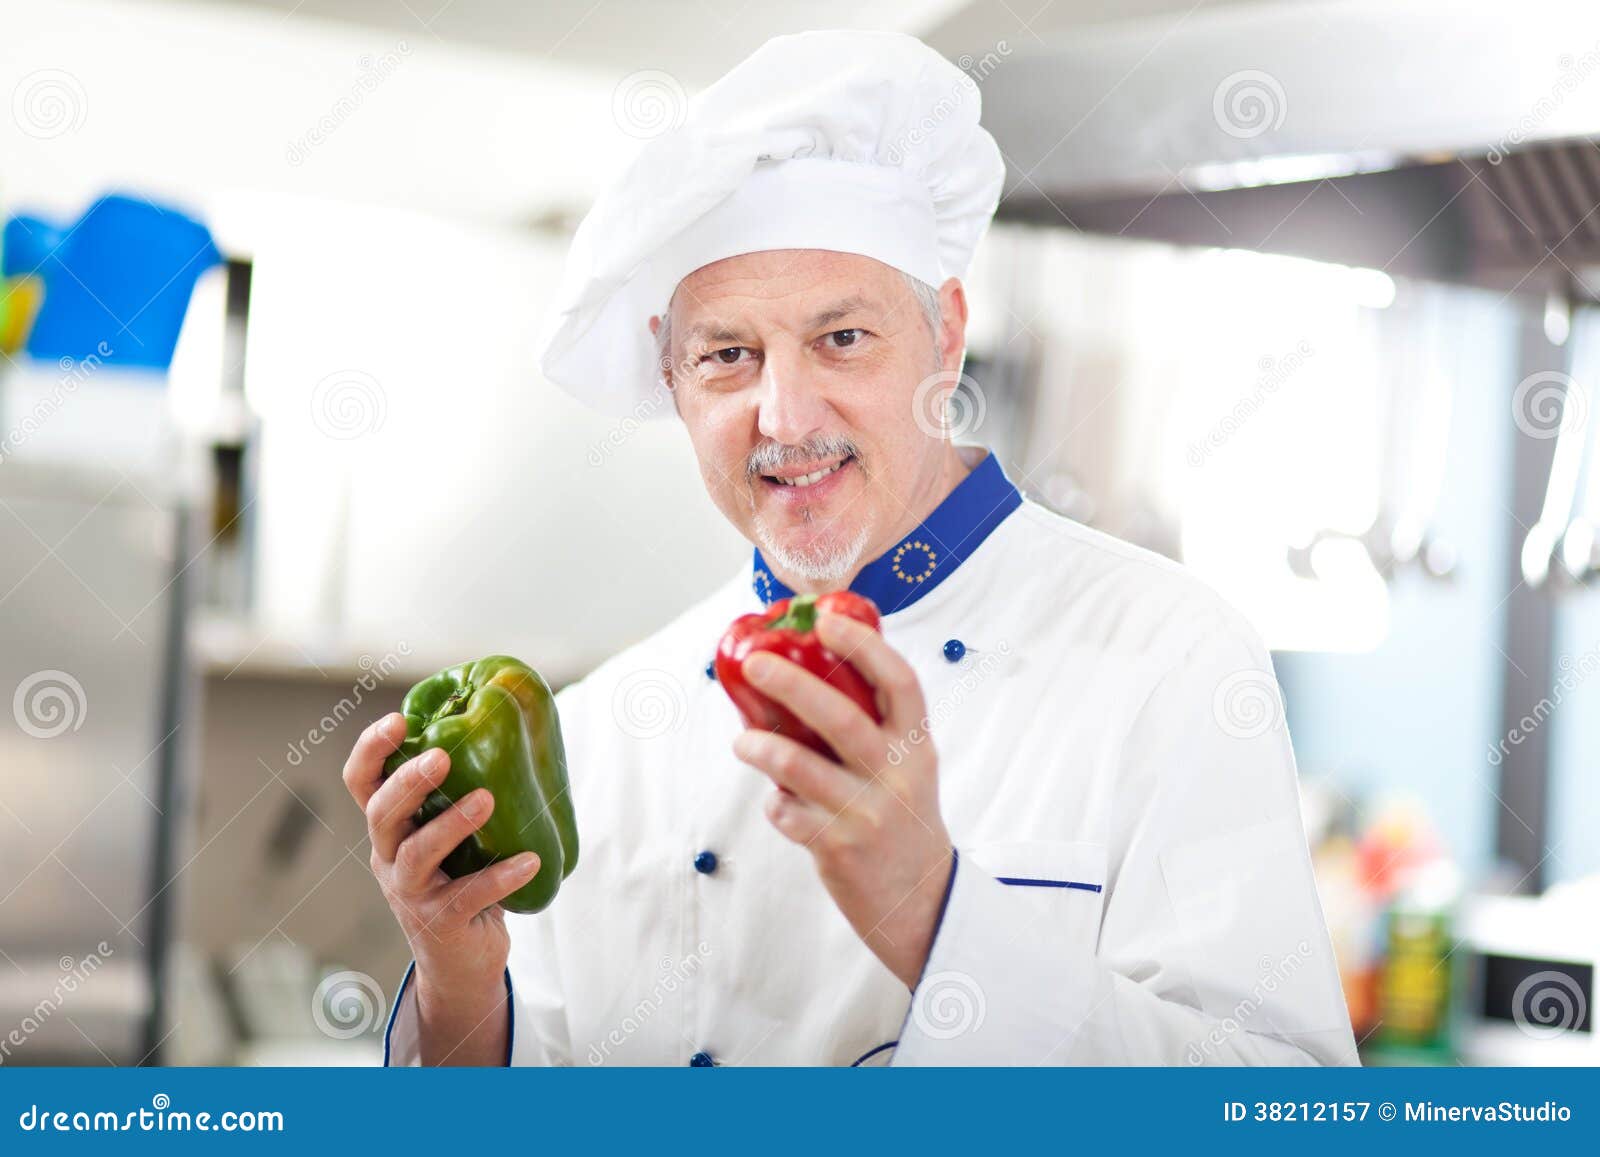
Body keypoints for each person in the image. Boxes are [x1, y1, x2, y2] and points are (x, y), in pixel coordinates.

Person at [342, 29, 1358, 1066]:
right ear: (674, 385)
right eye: (728, 356)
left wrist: (939, 918)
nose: (783, 417)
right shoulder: (606, 721)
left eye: (841, 339)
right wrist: (456, 978)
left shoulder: (1169, 658)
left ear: (947, 334)